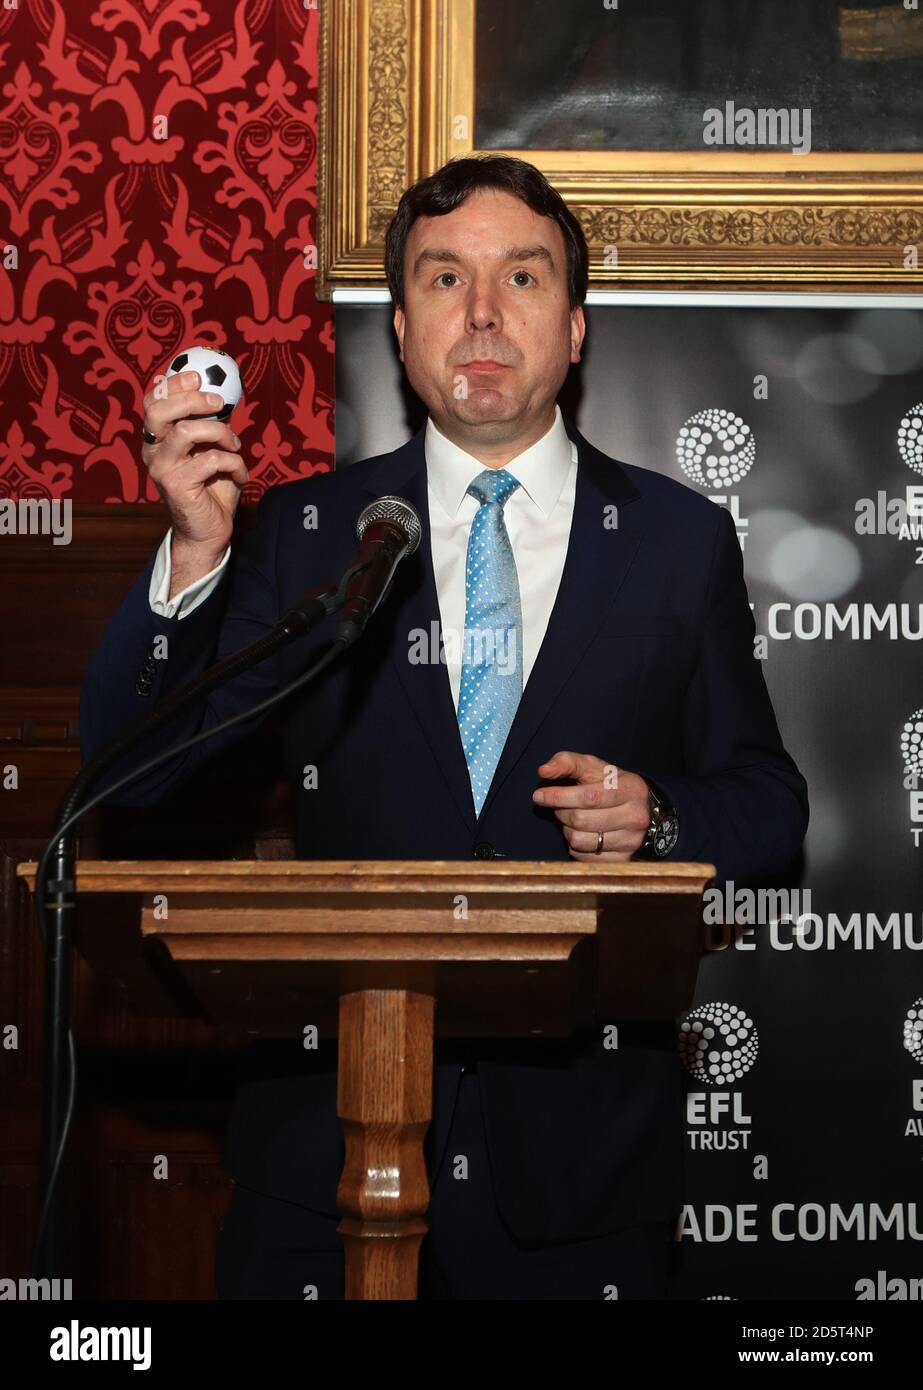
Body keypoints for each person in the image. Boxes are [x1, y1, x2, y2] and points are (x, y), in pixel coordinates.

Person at [80, 154, 809, 1300]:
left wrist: (659, 816)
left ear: (572, 329)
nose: (480, 313)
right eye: (440, 278)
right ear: (402, 332)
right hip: (315, 1155)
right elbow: (140, 778)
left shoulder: (675, 539)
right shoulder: (312, 531)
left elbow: (769, 803)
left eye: (520, 277)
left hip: (578, 1171)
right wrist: (194, 559)